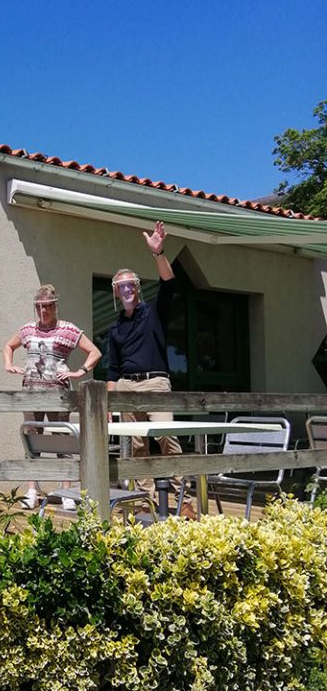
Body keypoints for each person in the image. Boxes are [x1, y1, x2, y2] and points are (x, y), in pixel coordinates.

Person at [106, 221, 195, 519]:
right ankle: (145, 499)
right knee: (137, 445)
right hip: (126, 388)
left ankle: (183, 497)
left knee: (166, 439)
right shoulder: (116, 328)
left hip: (156, 383)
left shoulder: (154, 312)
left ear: (138, 289)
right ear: (116, 293)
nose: (127, 290)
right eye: (122, 287)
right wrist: (109, 402)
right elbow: (112, 369)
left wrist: (158, 253)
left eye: (131, 284)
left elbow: (169, 284)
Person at [3, 284, 102, 510]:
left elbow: (95, 352)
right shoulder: (27, 329)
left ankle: (66, 492)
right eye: (39, 307)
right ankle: (31, 492)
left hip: (58, 395)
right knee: (31, 442)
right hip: (30, 393)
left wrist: (80, 371)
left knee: (62, 441)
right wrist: (9, 365)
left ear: (55, 306)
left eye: (47, 306)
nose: (43, 311)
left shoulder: (67, 329)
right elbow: (9, 346)